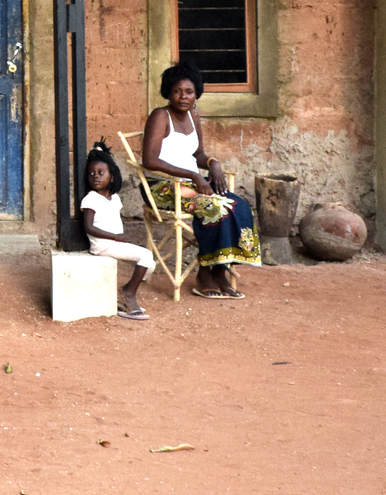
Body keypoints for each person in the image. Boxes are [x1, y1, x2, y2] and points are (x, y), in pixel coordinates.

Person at [140, 61, 263, 298]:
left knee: (239, 205)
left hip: (190, 184)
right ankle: (204, 273)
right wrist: (194, 175)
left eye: (189, 92)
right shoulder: (160, 116)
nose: (183, 97)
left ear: (196, 94)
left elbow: (198, 155)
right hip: (162, 187)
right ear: (168, 92)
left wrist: (212, 164)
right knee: (215, 207)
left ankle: (220, 269)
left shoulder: (193, 117)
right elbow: (150, 160)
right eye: (177, 91)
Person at [80, 140, 154, 320]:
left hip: (114, 243)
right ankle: (128, 293)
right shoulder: (91, 199)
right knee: (145, 256)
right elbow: (88, 227)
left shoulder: (114, 199)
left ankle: (127, 292)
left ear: (112, 176)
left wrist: (119, 238)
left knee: (150, 264)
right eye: (91, 174)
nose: (95, 177)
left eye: (100, 173)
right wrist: (116, 236)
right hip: (104, 246)